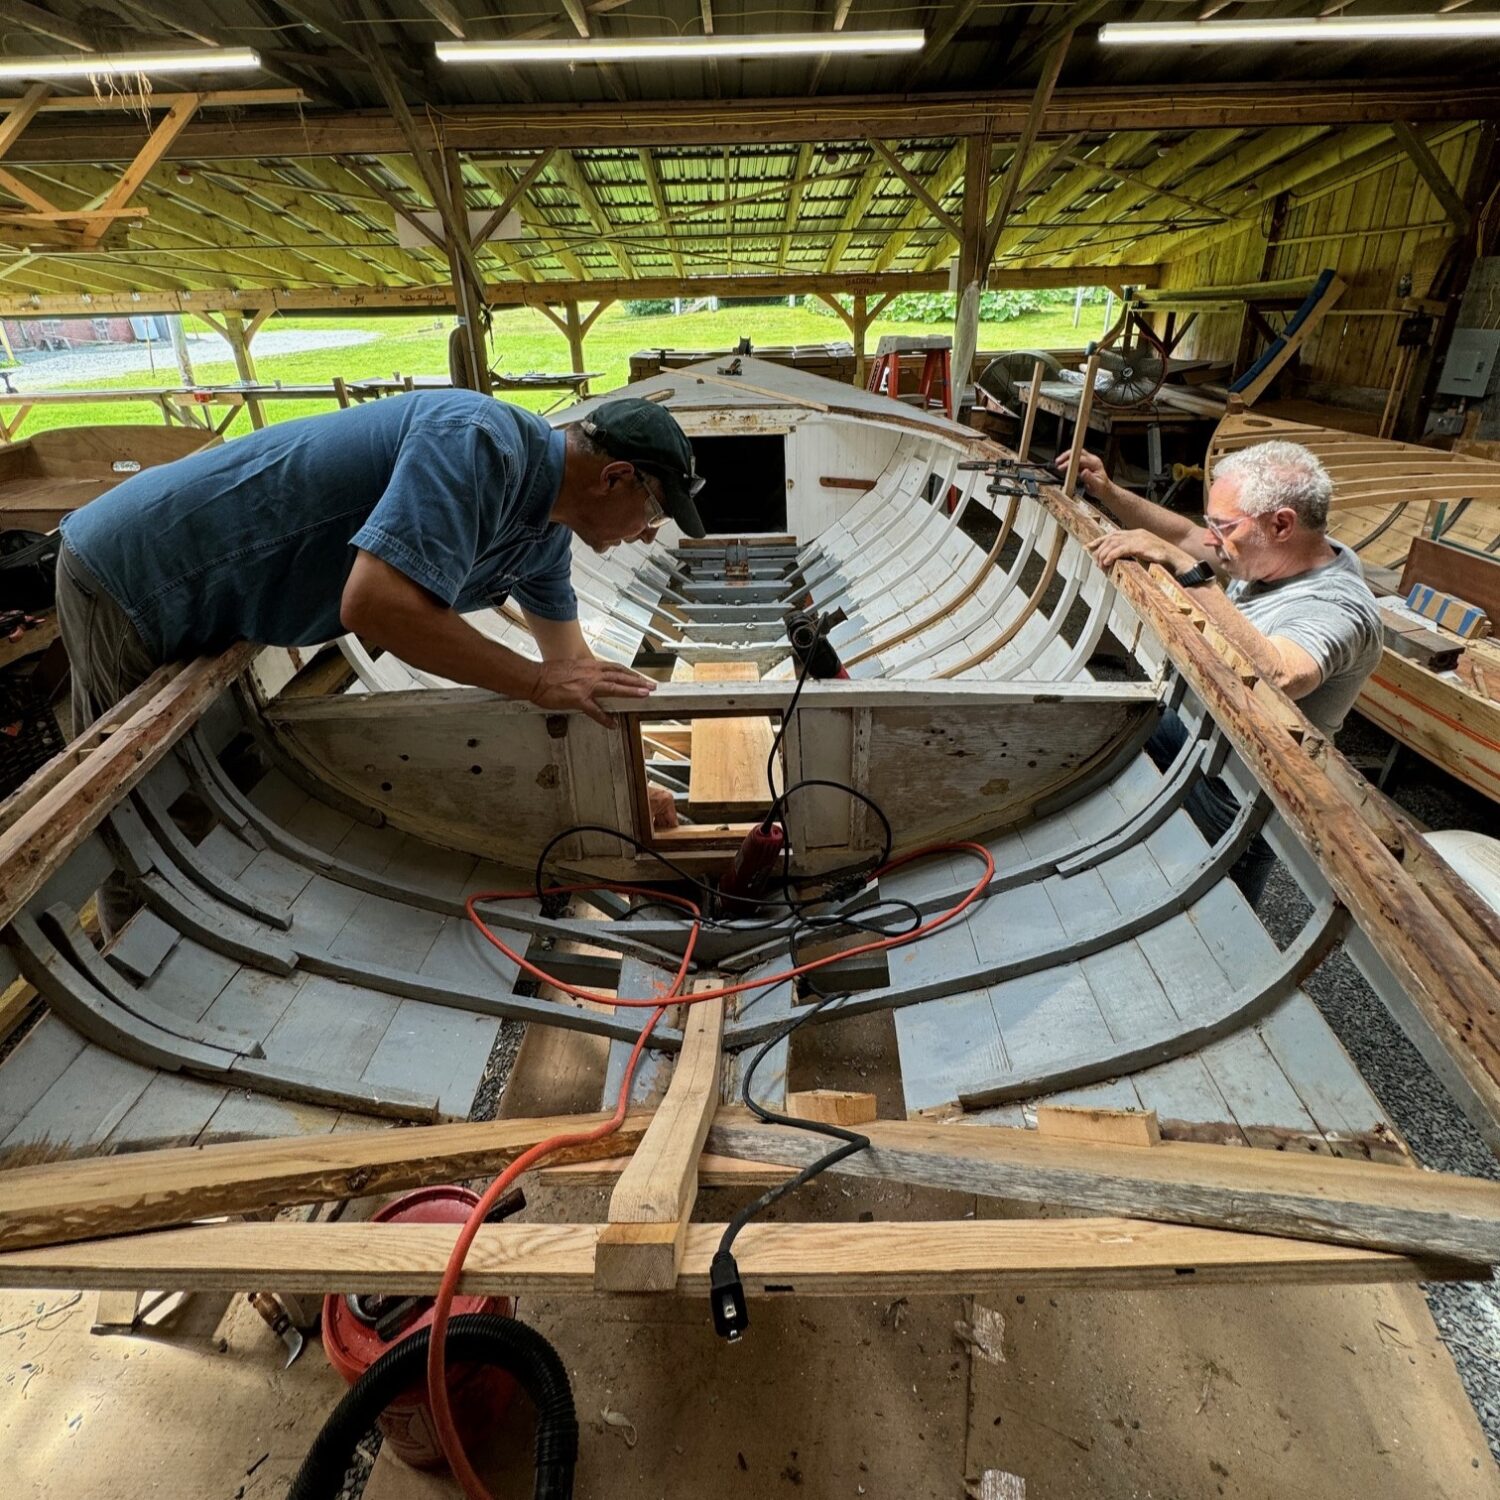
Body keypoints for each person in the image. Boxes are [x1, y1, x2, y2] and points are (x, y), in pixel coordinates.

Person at [56, 391, 706, 834]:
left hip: (222, 595)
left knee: (202, 792)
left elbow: (576, 675)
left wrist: (628, 787)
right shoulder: (481, 444)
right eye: (653, 512)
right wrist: (534, 683)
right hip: (141, 571)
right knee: (138, 809)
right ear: (615, 476)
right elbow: (376, 607)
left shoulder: (542, 537)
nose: (650, 534)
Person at [1062, 438, 1382, 904]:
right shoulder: (1281, 556)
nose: (1212, 538)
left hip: (1237, 787)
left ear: (1282, 524)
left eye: (1224, 526)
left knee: (1214, 907)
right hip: (1196, 731)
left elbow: (1280, 674)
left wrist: (1191, 575)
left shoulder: (1339, 607)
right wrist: (1108, 492)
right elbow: (1187, 539)